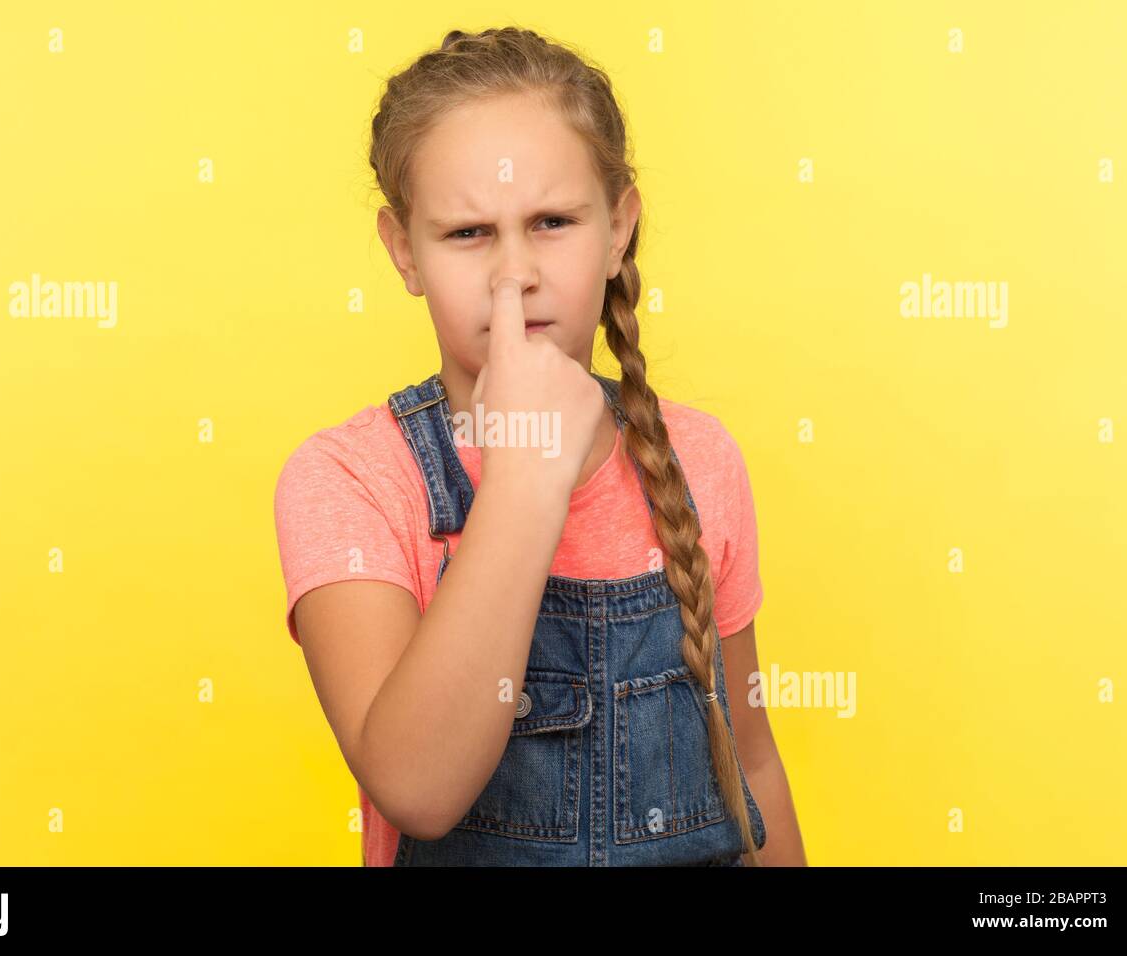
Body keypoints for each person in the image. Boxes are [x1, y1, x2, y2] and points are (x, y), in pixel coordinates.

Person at [274, 26, 806, 866]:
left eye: (552, 221)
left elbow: (753, 758)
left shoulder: (701, 461)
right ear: (402, 250)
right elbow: (418, 787)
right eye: (467, 234)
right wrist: (526, 474)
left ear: (619, 227)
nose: (514, 275)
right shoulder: (353, 481)